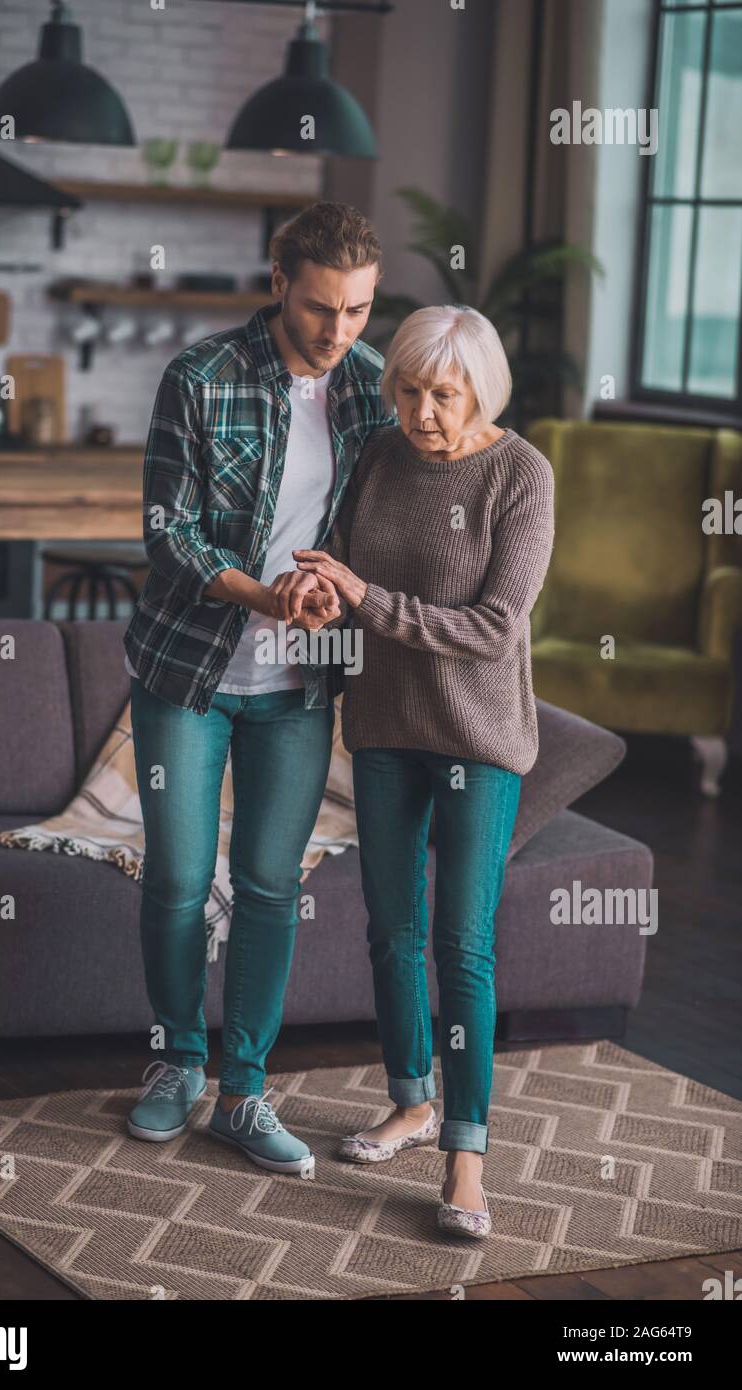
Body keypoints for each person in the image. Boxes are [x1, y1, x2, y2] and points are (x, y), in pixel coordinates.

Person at [123, 202, 396, 1177]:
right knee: (181, 879)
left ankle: (242, 1091)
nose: (337, 332)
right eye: (321, 307)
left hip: (299, 684)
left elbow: (386, 525)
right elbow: (169, 533)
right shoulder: (197, 377)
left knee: (272, 886)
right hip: (189, 671)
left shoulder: (374, 388)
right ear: (277, 281)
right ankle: (175, 1063)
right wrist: (263, 592)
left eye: (358, 310)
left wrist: (329, 587)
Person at [294, 304, 555, 1233]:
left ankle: (466, 1156)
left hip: (478, 743)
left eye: (443, 394)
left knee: (462, 946)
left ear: (481, 389)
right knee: (391, 932)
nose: (422, 411)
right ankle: (410, 1101)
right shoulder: (381, 458)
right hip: (384, 731)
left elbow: (492, 630)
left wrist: (367, 597)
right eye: (407, 390)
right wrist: (328, 591)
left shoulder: (520, 474)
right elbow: (356, 576)